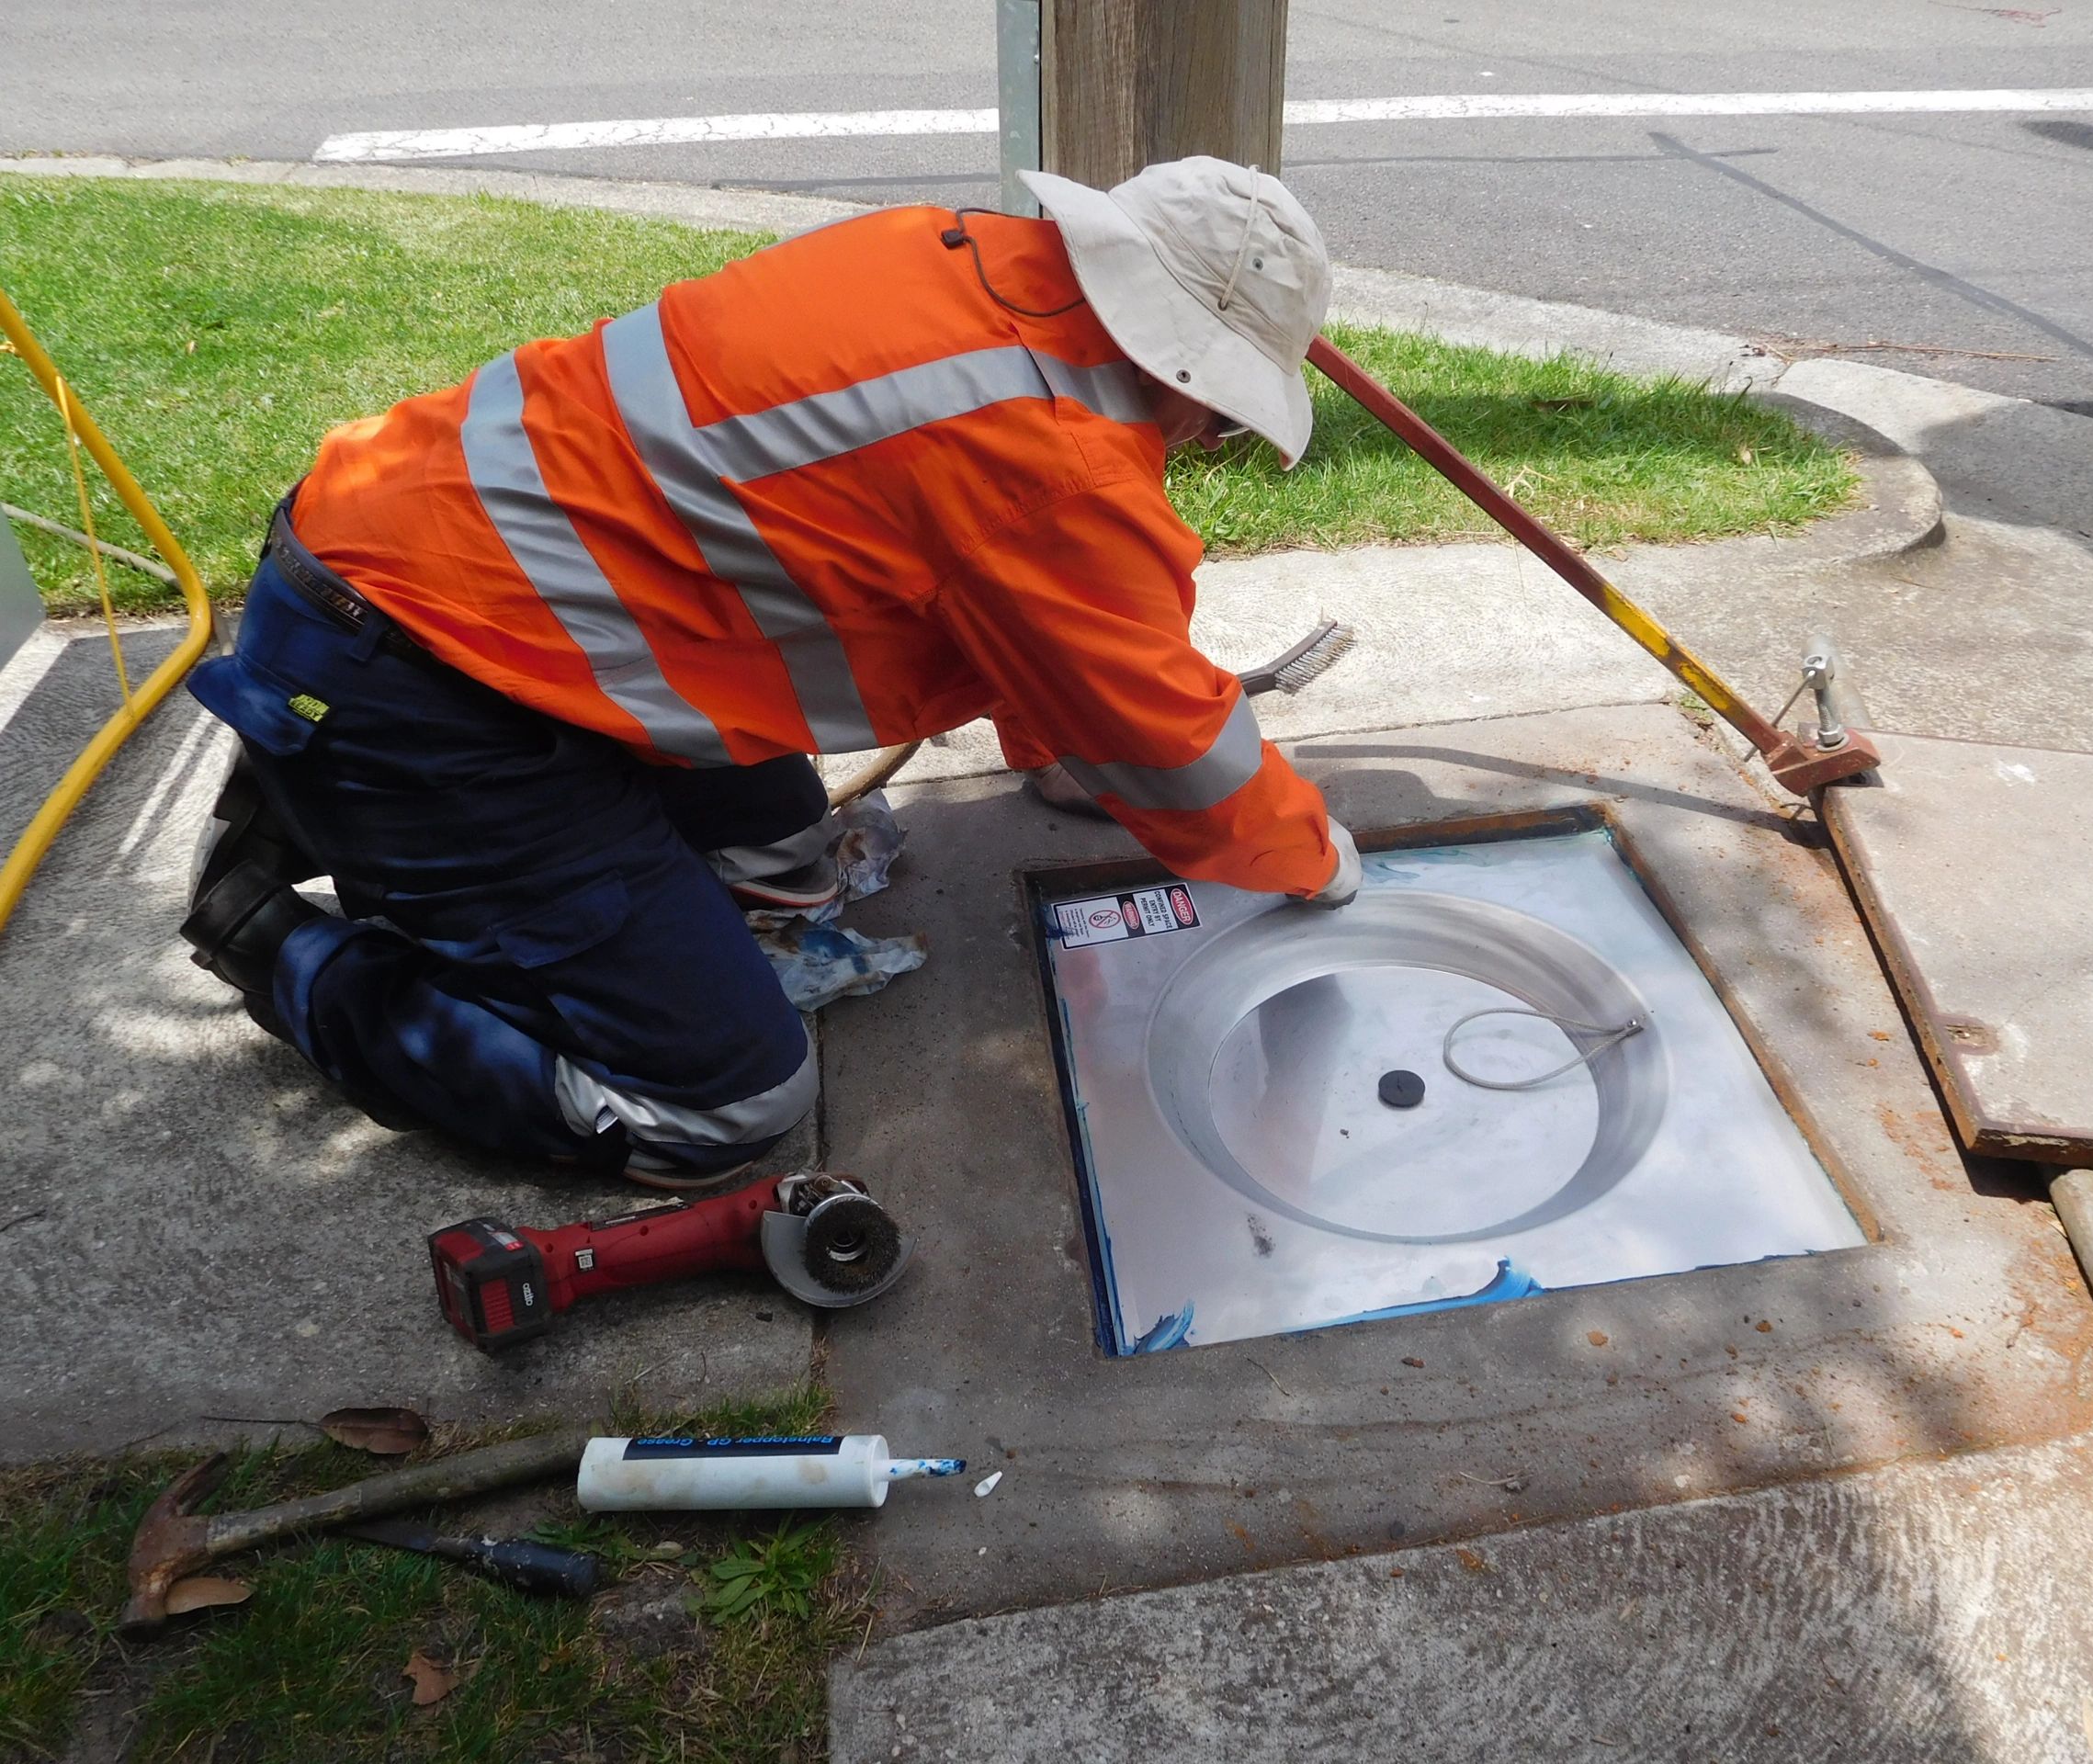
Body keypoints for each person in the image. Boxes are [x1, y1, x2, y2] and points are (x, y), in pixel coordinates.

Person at [177, 156, 1360, 1187]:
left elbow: (1020, 604)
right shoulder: (1054, 466)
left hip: (438, 575)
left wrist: (1056, 748)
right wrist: (1308, 856)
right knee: (725, 1104)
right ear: (1181, 361)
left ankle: (389, 816)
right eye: (1222, 413)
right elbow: (1164, 740)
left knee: (785, 874)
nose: (1213, 437)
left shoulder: (935, 254)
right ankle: (286, 938)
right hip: (425, 684)